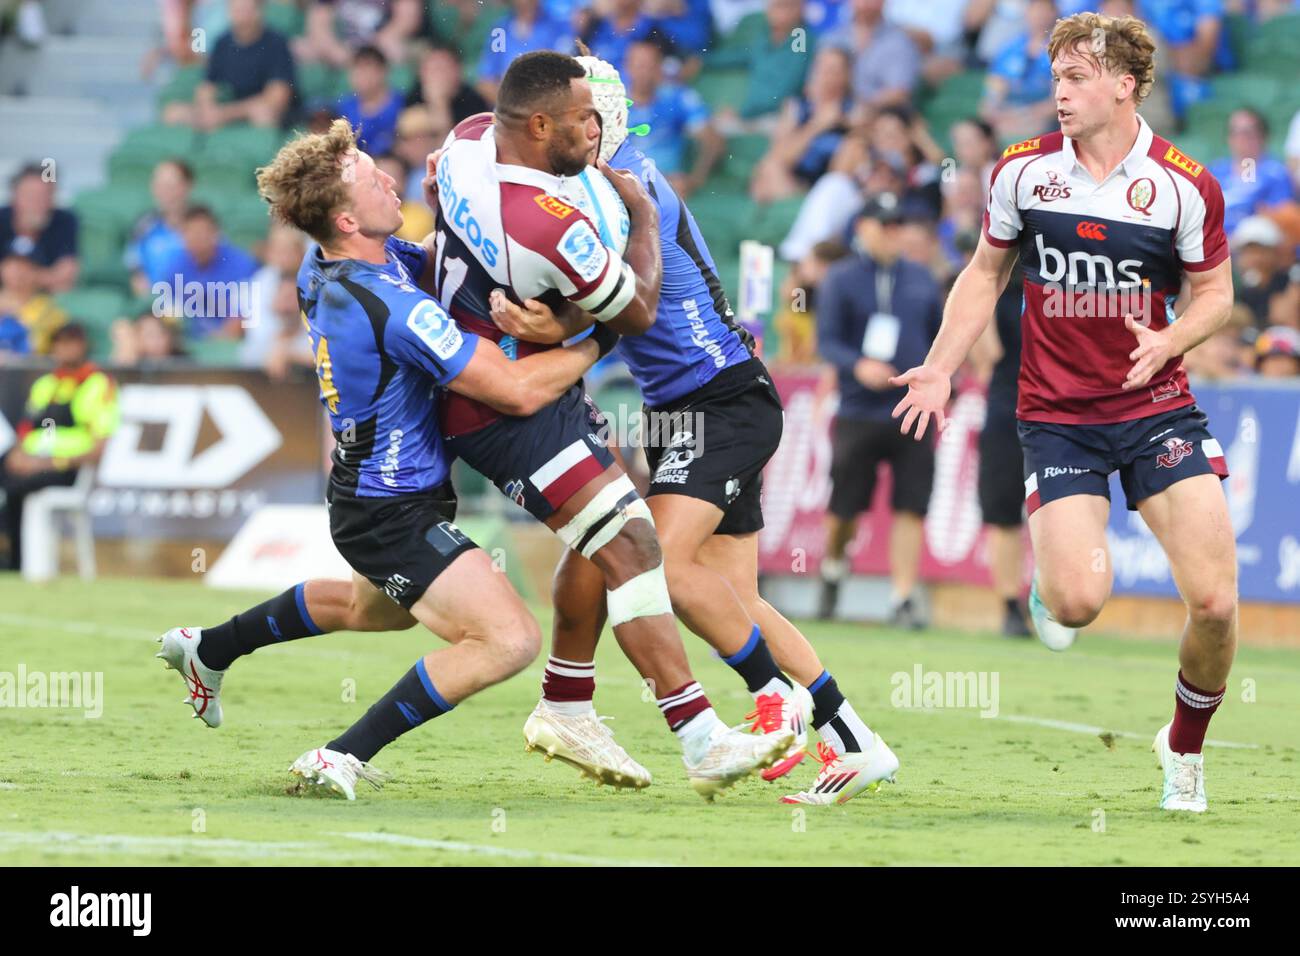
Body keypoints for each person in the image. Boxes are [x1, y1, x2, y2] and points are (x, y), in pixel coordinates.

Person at [156, 118, 622, 800]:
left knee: (372, 610)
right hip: (389, 509)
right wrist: (606, 334)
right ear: (346, 217)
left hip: (369, 489)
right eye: (372, 178)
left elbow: (438, 256)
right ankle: (340, 754)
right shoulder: (392, 307)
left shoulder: (336, 265)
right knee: (509, 640)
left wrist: (455, 202)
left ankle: (212, 648)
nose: (389, 178)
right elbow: (517, 390)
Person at [489, 51, 900, 805]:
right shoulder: (617, 176)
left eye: (584, 117)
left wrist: (549, 321)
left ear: (599, 120)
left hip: (718, 401)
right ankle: (855, 740)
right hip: (693, 403)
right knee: (736, 599)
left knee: (660, 567)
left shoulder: (622, 185)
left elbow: (615, 304)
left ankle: (780, 698)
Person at [890, 12, 1236, 812]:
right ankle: (1054, 580)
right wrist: (941, 369)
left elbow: (1217, 295)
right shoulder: (1020, 171)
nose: (1060, 94)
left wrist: (1172, 337)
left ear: (1125, 85)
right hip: (1058, 417)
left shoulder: (1184, 183)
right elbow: (984, 273)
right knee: (1080, 601)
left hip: (1158, 409)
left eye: (1076, 79)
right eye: (1055, 80)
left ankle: (1183, 750)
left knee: (1215, 603)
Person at [428, 52, 794, 798]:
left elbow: (442, 164)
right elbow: (637, 310)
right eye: (578, 119)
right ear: (538, 126)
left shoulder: (467, 144)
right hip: (512, 400)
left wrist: (559, 317)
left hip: (514, 378)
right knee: (631, 542)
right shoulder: (549, 219)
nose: (593, 130)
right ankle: (698, 736)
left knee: (609, 534)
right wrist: (645, 224)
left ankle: (567, 701)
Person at [814, 192, 943, 628]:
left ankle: (902, 597)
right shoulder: (841, 278)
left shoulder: (922, 278)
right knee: (845, 507)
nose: (894, 233)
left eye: (898, 225)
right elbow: (826, 340)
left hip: (912, 408)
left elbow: (938, 337)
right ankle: (833, 568)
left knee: (912, 504)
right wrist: (857, 365)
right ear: (863, 228)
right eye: (884, 224)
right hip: (858, 409)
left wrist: (945, 380)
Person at [1, 324, 118, 570]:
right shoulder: (46, 384)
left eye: (72, 342)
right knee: (10, 476)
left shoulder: (98, 384)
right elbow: (26, 430)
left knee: (15, 486)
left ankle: (21, 561)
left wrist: (48, 462)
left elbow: (98, 447)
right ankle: (15, 557)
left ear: (84, 345)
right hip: (34, 463)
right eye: (60, 342)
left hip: (67, 467)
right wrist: (18, 456)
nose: (66, 348)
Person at [971, 281, 1031, 636]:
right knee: (1004, 511)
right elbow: (987, 356)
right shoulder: (995, 290)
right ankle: (1010, 606)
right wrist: (982, 297)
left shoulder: (1061, 284)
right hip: (1007, 406)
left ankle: (1054, 600)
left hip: (1061, 409)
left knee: (1063, 509)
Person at [163, 0, 295, 131]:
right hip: (228, 110)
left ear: (259, 11)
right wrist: (208, 109)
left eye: (246, 9)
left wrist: (226, 114)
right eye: (236, 9)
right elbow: (207, 87)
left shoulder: (276, 42)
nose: (241, 15)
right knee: (174, 113)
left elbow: (277, 99)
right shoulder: (223, 42)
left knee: (263, 113)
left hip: (255, 113)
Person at [622, 34, 723, 198]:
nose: (644, 72)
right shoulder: (613, 101)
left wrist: (695, 180)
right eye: (639, 65)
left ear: (659, 68)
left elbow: (713, 140)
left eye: (650, 66)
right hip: (622, 184)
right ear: (627, 67)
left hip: (666, 185)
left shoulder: (677, 96)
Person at [154, 205, 261, 340]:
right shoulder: (175, 264)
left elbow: (243, 319)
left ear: (216, 233)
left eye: (203, 232)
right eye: (191, 232)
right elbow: (165, 309)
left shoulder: (241, 265)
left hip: (229, 347)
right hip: (187, 343)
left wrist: (214, 345)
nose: (197, 238)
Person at [1208, 110, 1296, 237]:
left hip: (1256, 244)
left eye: (1247, 132)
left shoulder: (1276, 173)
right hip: (1216, 243)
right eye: (1234, 132)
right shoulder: (1215, 171)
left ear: (1263, 136)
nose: (1241, 139)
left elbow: (1282, 217)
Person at [0, 163, 78, 293]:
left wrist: (29, 276)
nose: (37, 202)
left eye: (45, 195)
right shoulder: (2, 219)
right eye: (30, 195)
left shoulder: (64, 221)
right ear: (15, 195)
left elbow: (67, 275)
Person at [125, 159, 194, 296]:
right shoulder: (143, 226)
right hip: (155, 307)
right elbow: (136, 274)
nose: (165, 192)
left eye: (171, 186)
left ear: (188, 186)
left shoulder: (202, 225)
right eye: (159, 185)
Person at [336, 45, 407, 156]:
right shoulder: (343, 108)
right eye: (357, 68)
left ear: (383, 71)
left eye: (367, 67)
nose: (361, 74)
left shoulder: (402, 105)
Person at [0, 252, 68, 355]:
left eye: (24, 266)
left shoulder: (49, 308)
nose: (17, 272)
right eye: (11, 265)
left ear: (38, 272)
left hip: (30, 367)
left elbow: (45, 348)